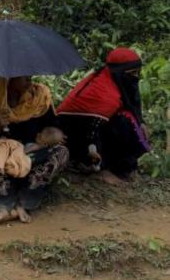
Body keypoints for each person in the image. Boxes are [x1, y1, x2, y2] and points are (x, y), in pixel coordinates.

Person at [0, 76, 69, 225]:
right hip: (1, 162)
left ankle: (24, 202)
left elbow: (55, 131)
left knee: (61, 152)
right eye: (25, 79)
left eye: (30, 78)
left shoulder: (38, 98)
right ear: (7, 80)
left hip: (32, 157)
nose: (30, 82)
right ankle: (4, 203)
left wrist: (41, 144)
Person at [57, 48, 150, 184]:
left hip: (97, 127)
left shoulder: (114, 80)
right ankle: (101, 170)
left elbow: (133, 104)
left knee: (129, 122)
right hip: (76, 133)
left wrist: (140, 121)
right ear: (119, 73)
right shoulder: (105, 93)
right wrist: (98, 165)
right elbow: (90, 132)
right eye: (132, 73)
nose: (136, 77)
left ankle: (119, 167)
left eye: (138, 73)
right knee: (124, 124)